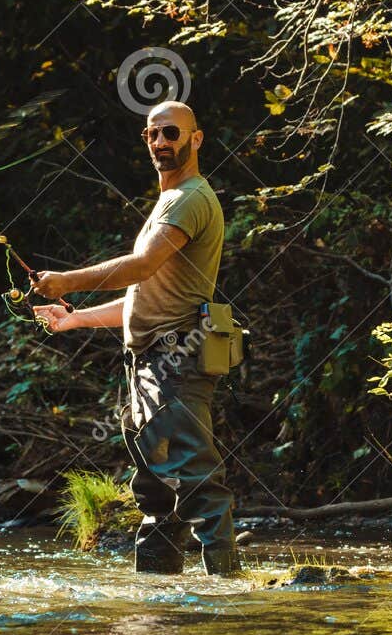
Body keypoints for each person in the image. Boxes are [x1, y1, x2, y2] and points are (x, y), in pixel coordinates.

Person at [31, 100, 240, 576]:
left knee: (197, 481)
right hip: (148, 367)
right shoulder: (169, 201)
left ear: (196, 139)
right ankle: (158, 594)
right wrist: (75, 319)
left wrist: (66, 281)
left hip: (176, 363)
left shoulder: (190, 198)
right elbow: (142, 297)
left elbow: (141, 266)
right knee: (156, 491)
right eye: (153, 134)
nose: (161, 142)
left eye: (171, 133)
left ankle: (230, 595)